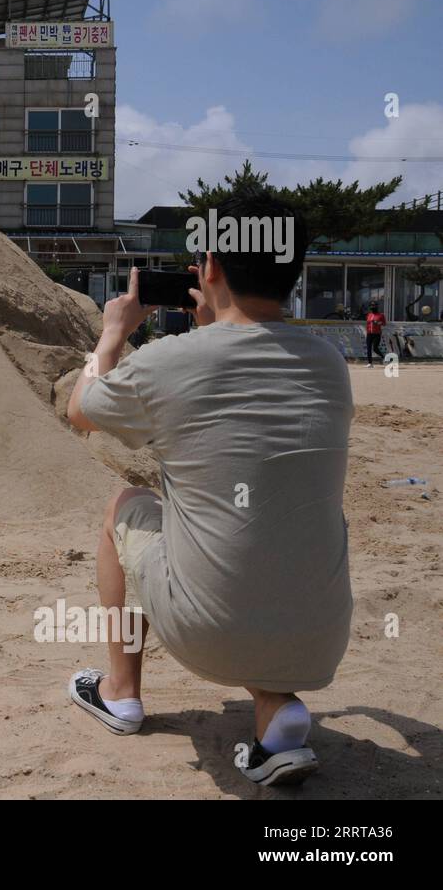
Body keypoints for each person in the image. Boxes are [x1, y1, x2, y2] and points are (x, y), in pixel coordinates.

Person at [64, 189, 353, 786]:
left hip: (207, 632)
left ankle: (120, 692)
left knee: (127, 505)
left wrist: (111, 336)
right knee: (271, 535)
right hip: (318, 636)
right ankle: (278, 712)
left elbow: (81, 410)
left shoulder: (172, 360)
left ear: (211, 268)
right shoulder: (330, 363)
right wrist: (213, 329)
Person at [364, 301, 387, 367]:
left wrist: (377, 322)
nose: (372, 307)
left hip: (377, 333)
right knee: (368, 348)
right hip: (369, 333)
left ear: (376, 306)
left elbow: (384, 323)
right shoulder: (369, 315)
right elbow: (368, 323)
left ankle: (383, 357)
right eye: (371, 306)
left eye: (374, 306)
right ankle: (370, 363)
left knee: (375, 348)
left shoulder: (381, 315)